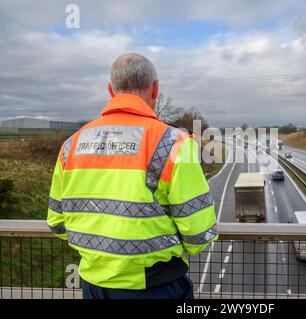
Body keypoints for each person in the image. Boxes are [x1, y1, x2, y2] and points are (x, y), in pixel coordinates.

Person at [47, 53, 218, 299]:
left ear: (110, 90)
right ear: (155, 88)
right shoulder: (175, 143)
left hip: (93, 286)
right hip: (155, 287)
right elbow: (198, 233)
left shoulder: (71, 145)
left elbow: (57, 222)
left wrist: (99, 249)